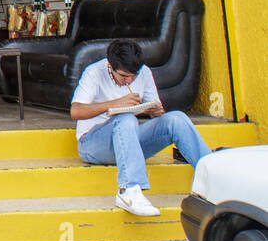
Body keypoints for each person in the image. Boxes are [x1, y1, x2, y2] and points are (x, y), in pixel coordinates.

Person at [72, 38, 212, 217]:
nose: (129, 81)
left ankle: (213, 177)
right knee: (125, 118)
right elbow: (75, 111)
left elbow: (155, 111)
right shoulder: (94, 72)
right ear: (110, 65)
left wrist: (155, 111)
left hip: (129, 143)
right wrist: (116, 104)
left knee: (176, 118)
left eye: (133, 76)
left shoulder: (143, 72)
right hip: (92, 144)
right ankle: (129, 191)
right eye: (123, 76)